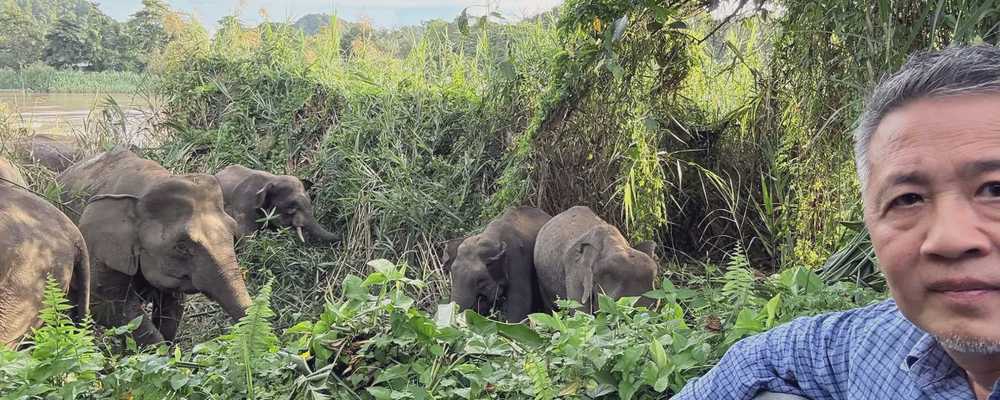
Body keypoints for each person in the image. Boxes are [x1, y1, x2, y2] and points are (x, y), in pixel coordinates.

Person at [672, 45, 1000, 400]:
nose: (949, 239)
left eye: (996, 189)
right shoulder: (876, 345)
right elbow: (752, 362)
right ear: (870, 227)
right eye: (907, 199)